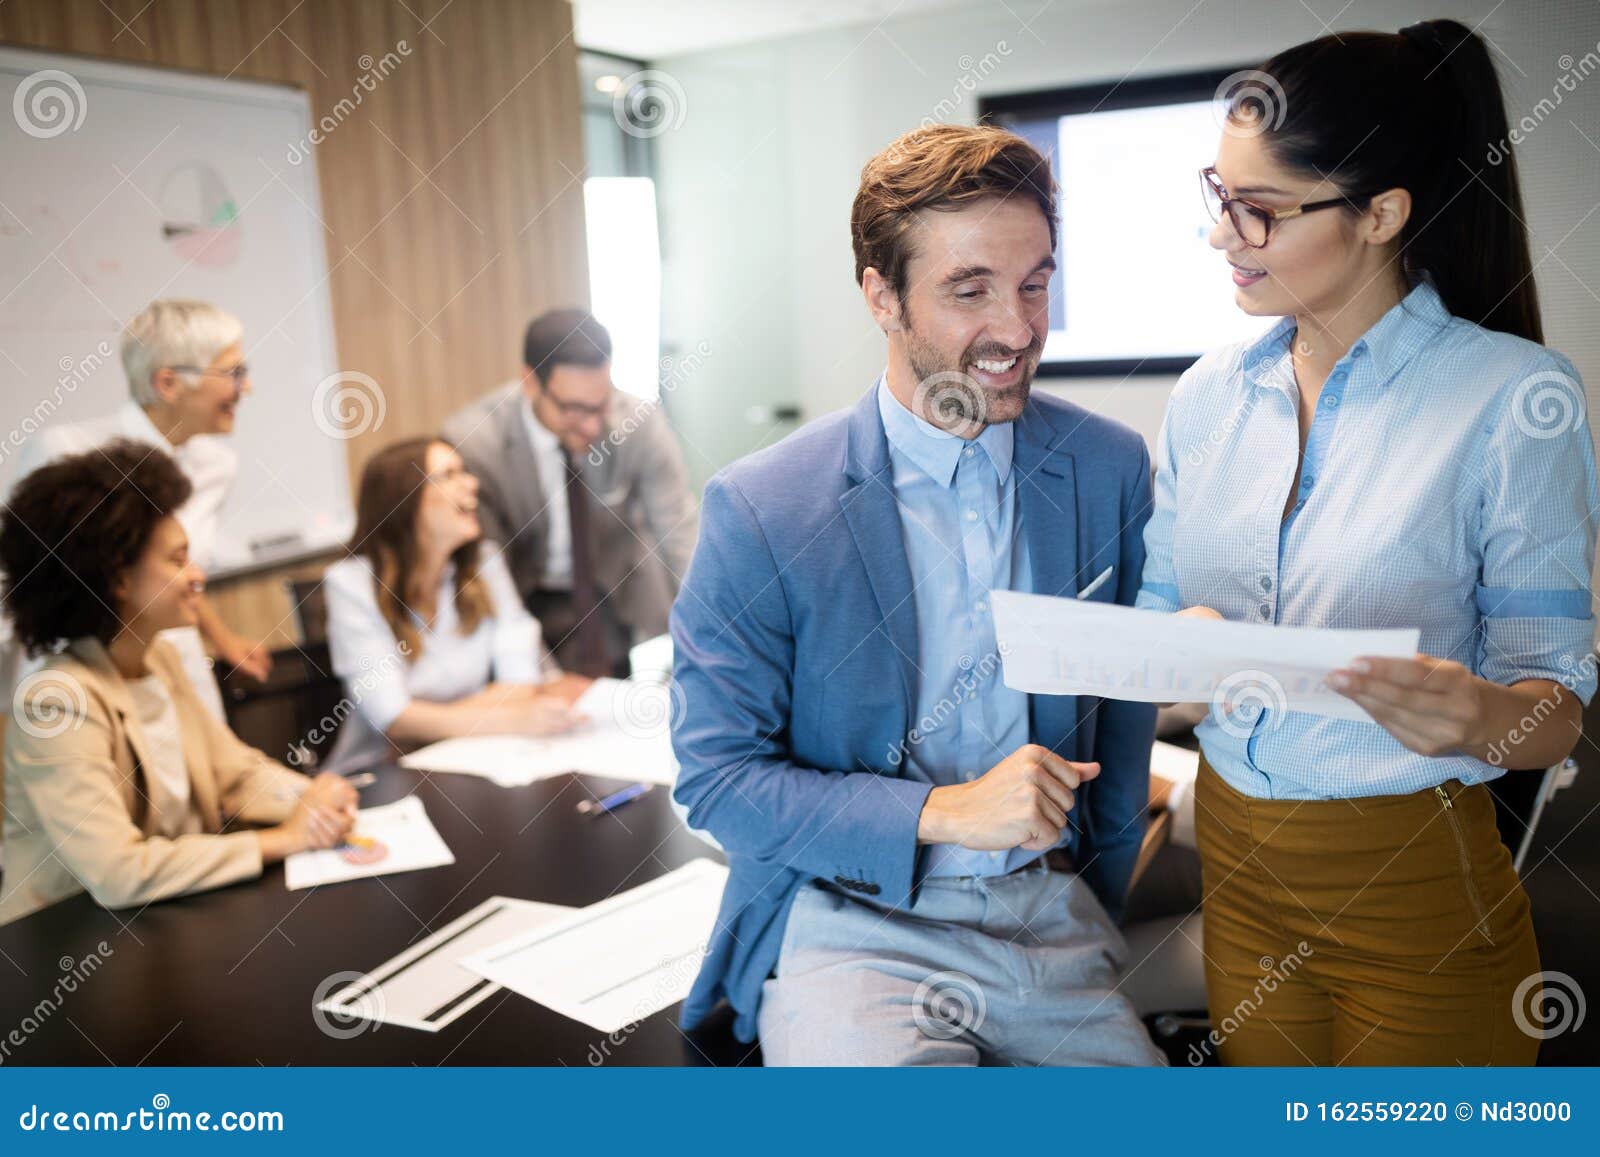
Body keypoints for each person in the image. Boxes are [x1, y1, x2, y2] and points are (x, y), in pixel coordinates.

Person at [1137, 20, 1597, 1064]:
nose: (1223, 238)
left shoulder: (1513, 398)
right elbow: (1158, 609)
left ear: (1381, 214)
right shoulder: (1208, 393)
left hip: (1413, 897)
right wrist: (1176, 652)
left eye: (1258, 212)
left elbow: (1553, 713)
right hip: (1241, 876)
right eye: (1220, 198)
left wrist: (1479, 714)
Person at [670, 124, 1163, 1065]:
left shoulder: (1106, 466)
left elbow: (1125, 718)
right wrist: (944, 812)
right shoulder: (766, 504)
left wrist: (1098, 889)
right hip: (857, 917)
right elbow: (719, 775)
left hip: (1049, 917)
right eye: (969, 290)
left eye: (1034, 283)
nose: (1017, 330)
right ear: (881, 295)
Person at [0, 441, 356, 926]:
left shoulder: (159, 658)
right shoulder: (56, 704)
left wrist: (309, 800)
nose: (197, 576)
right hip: (67, 948)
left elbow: (233, 773)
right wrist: (285, 839)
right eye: (177, 559)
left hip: (161, 925)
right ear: (117, 578)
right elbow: (118, 872)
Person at [3, 299, 274, 720]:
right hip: (86, 689)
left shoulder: (217, 466)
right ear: (168, 383)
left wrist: (222, 637)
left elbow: (173, 568)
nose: (248, 388)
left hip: (179, 673)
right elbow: (18, 586)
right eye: (233, 373)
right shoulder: (67, 455)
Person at [442, 310, 697, 677]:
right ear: (530, 382)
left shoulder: (639, 422)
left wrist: (714, 630)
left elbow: (679, 532)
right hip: (524, 595)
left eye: (601, 403)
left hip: (611, 592)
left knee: (616, 705)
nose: (593, 425)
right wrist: (544, 676)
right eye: (574, 409)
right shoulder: (477, 444)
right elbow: (488, 567)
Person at [320, 437, 585, 773]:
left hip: (473, 757)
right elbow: (393, 719)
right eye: (448, 475)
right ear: (405, 502)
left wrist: (433, 724)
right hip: (380, 773)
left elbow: (520, 681)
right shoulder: (350, 585)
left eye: (465, 471)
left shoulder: (486, 563)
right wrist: (511, 718)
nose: (471, 483)